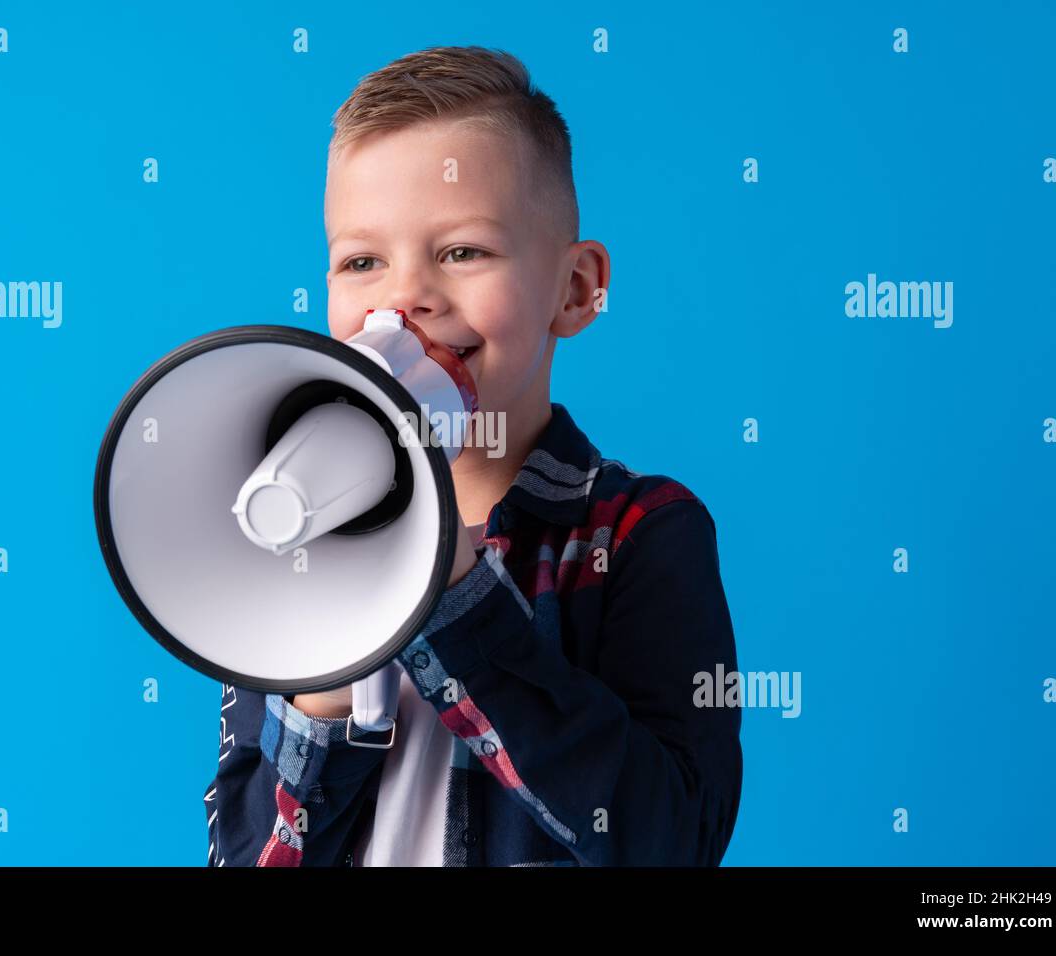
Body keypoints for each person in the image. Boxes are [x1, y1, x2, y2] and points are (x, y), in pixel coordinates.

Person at [203, 45, 742, 867]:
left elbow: (670, 840)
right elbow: (250, 856)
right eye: (362, 261)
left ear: (576, 289)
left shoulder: (642, 534)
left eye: (461, 252)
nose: (404, 298)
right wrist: (319, 695)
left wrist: (458, 596)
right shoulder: (294, 543)